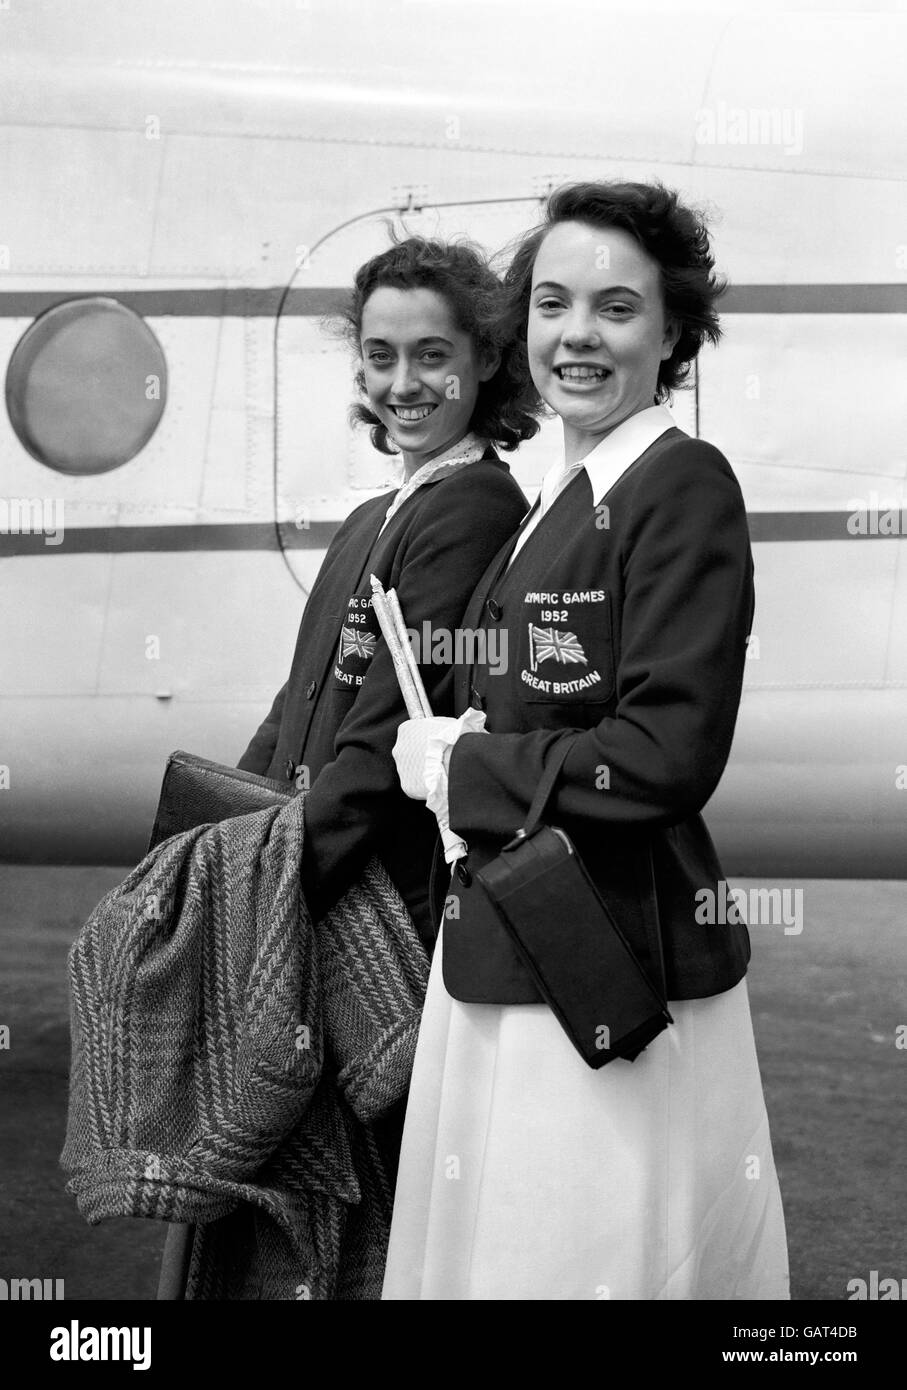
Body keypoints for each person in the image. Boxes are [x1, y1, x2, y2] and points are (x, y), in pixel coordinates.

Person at [385, 182, 790, 1300]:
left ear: (673, 332)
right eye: (553, 303)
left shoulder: (681, 486)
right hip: (523, 938)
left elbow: (665, 751)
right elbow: (550, 705)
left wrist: (465, 768)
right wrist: (470, 725)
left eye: (617, 308)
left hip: (608, 957)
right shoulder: (556, 495)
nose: (577, 334)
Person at [239, 236, 537, 952]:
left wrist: (268, 889)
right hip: (310, 870)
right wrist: (222, 838)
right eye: (380, 356)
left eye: (432, 356)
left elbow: (378, 752)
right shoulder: (368, 519)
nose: (402, 383)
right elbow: (295, 704)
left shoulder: (473, 506)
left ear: (487, 361)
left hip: (373, 908)